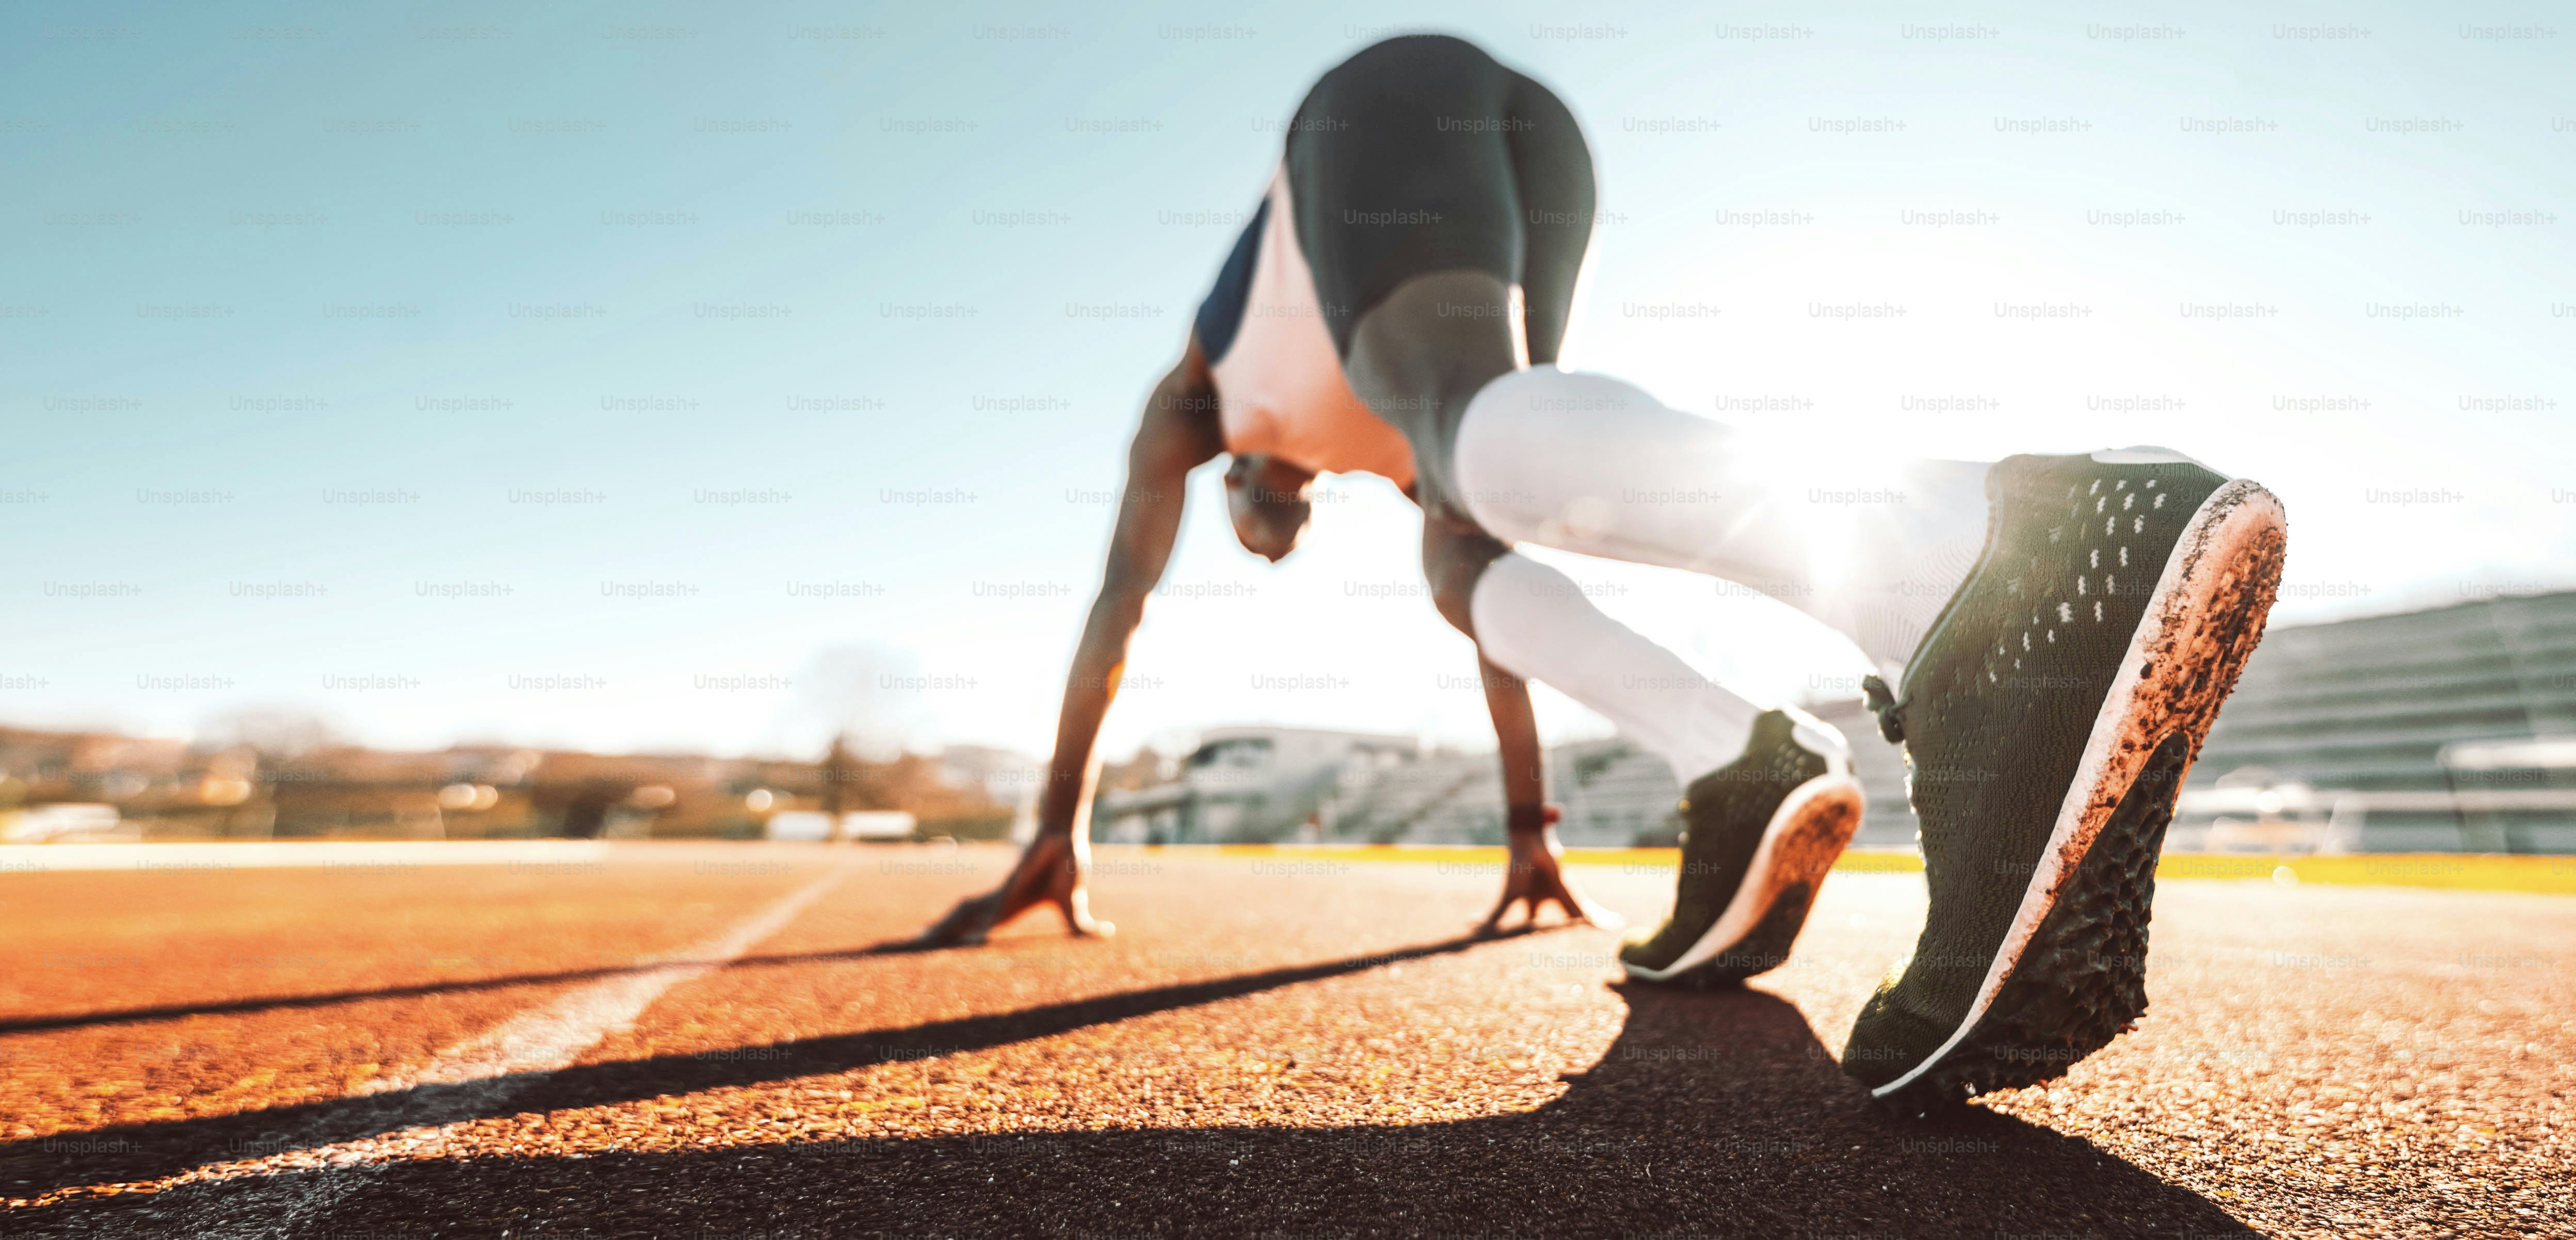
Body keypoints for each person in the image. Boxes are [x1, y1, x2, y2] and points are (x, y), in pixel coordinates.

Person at [923, 35, 2287, 1113]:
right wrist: (1533, 822)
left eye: (1259, 530)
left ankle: (1963, 572)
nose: (1274, 540)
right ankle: (1734, 756)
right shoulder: (1394, 445)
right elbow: (1490, 641)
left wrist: (1059, 819)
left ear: (1243, 492)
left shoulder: (1192, 407)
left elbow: (1118, 608)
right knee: (1465, 542)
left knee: (1468, 451)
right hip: (1541, 139)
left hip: (1382, 100)